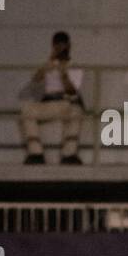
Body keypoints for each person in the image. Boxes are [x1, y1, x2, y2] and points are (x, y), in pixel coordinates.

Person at [19, 31, 84, 165]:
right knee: (26, 110)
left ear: (68, 46)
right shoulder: (47, 65)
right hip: (48, 103)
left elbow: (72, 91)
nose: (61, 48)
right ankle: (36, 153)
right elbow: (35, 81)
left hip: (65, 103)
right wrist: (50, 61)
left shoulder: (74, 66)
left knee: (77, 111)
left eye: (63, 45)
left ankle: (69, 154)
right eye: (57, 45)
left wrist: (63, 72)